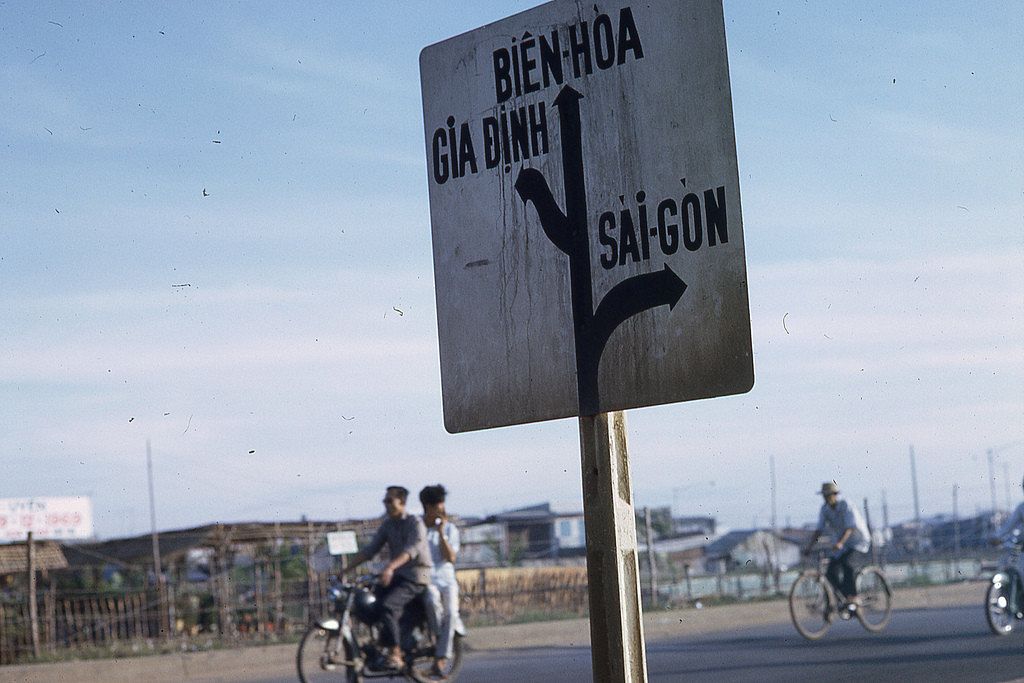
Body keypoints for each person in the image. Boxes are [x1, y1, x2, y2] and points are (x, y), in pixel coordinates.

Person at [345, 485, 433, 671]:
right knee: (372, 603)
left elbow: (412, 551)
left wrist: (390, 567)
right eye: (385, 501)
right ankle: (381, 643)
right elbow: (370, 550)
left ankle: (396, 652)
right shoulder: (388, 525)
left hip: (419, 574)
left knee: (388, 605)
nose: (386, 504)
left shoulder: (415, 523)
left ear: (401, 502)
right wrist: (345, 570)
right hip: (399, 574)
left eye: (389, 501)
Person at [419, 484, 465, 680]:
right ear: (428, 507)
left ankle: (440, 660)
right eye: (439, 504)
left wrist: (441, 532)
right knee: (430, 599)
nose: (442, 507)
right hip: (427, 578)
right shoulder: (418, 529)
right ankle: (439, 641)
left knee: (451, 613)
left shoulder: (450, 529)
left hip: (447, 579)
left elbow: (451, 558)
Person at [803, 481, 871, 608]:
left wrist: (840, 543)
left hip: (858, 542)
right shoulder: (825, 510)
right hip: (842, 545)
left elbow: (850, 528)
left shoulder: (846, 505)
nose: (827, 498)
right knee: (830, 571)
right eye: (824, 496)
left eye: (829, 495)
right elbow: (819, 530)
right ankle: (843, 596)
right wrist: (809, 547)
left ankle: (853, 596)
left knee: (847, 563)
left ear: (835, 495)